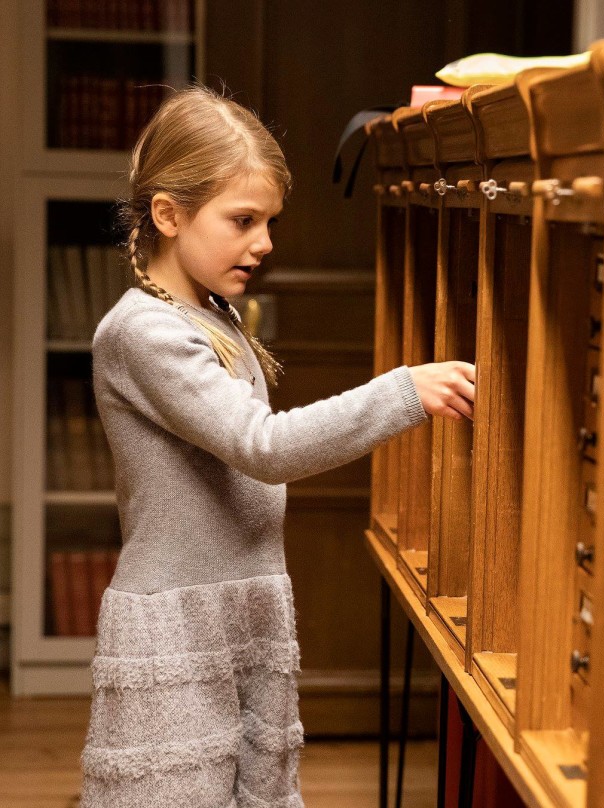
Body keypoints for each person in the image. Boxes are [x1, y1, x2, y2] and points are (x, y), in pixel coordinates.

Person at [78, 84, 475, 807]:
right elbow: (261, 446)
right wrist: (401, 392)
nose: (264, 241)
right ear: (168, 214)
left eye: (269, 220)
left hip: (248, 607)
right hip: (178, 623)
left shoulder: (212, 314)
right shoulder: (143, 333)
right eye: (243, 219)